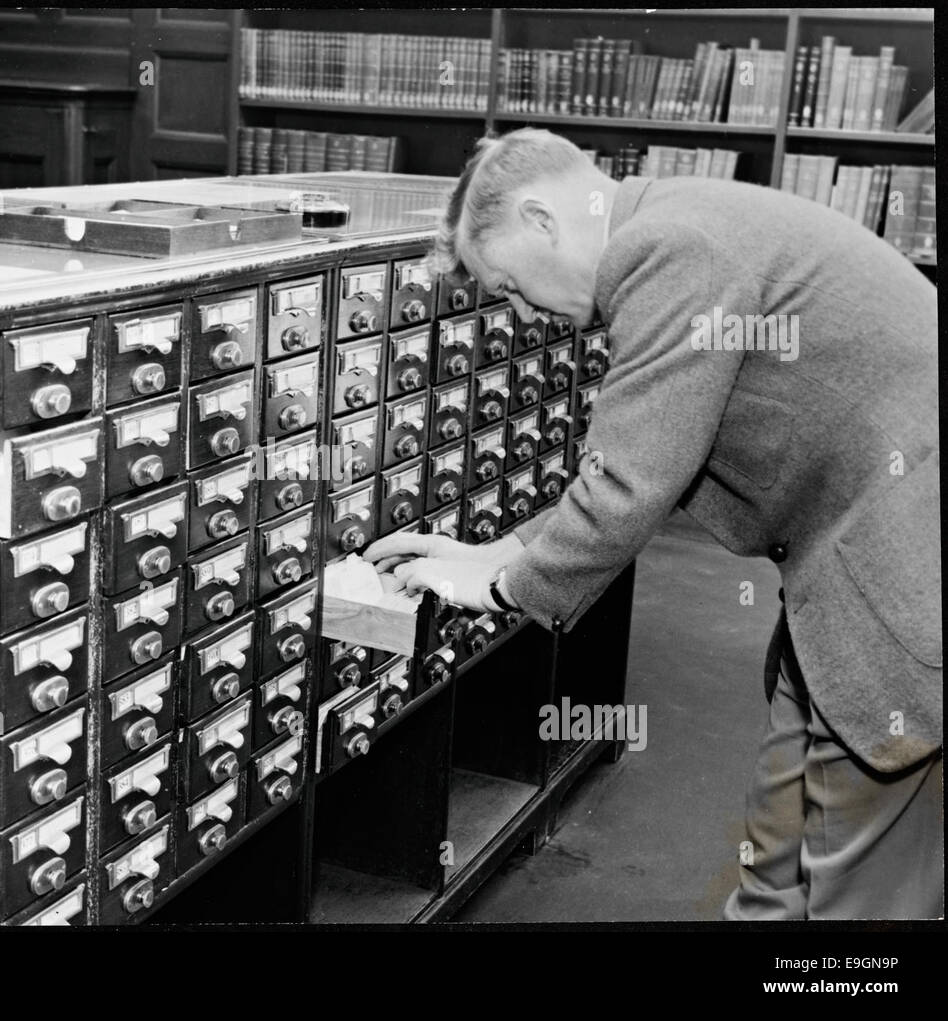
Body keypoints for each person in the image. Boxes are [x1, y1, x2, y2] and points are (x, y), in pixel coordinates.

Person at [363, 128, 942, 920]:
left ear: (541, 219)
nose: (524, 313)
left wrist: (500, 586)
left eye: (509, 286)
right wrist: (496, 547)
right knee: (778, 848)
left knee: (861, 897)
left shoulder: (669, 248)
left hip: (898, 587)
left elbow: (633, 483)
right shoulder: (676, 218)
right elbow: (657, 455)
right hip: (846, 574)